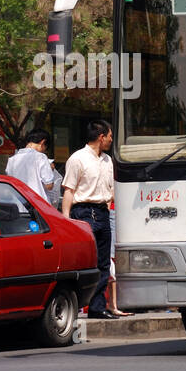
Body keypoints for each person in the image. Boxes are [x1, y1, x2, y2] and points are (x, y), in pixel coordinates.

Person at [62, 119, 121, 319]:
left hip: (103, 213)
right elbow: (69, 190)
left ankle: (98, 308)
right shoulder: (77, 159)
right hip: (83, 212)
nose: (111, 140)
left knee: (103, 263)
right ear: (101, 136)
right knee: (86, 262)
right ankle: (79, 307)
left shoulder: (107, 160)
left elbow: (110, 189)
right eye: (110, 136)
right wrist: (66, 219)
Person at [6, 130, 62, 207]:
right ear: (43, 142)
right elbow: (49, 186)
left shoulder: (12, 159)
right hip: (38, 206)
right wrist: (50, 170)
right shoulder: (40, 157)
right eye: (45, 148)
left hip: (17, 205)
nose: (43, 151)